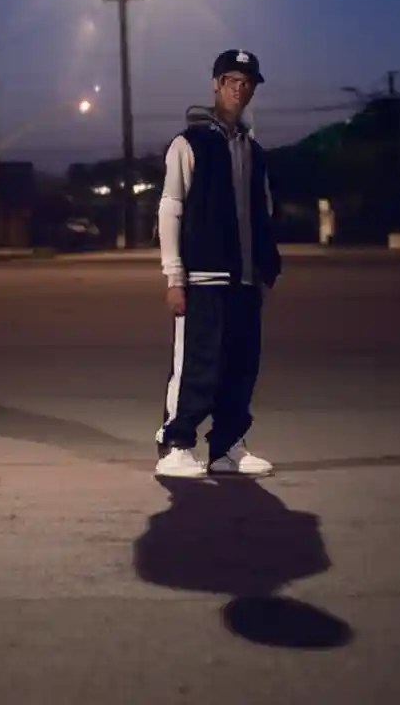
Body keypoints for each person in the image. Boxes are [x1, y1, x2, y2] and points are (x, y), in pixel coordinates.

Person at [154, 48, 282, 479]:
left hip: (245, 280)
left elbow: (264, 212)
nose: (239, 89)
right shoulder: (190, 143)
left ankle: (227, 447)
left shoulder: (254, 151)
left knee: (241, 367)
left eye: (247, 83)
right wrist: (174, 276)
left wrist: (264, 271)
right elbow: (170, 207)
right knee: (197, 363)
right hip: (203, 277)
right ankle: (175, 444)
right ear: (216, 85)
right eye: (231, 81)